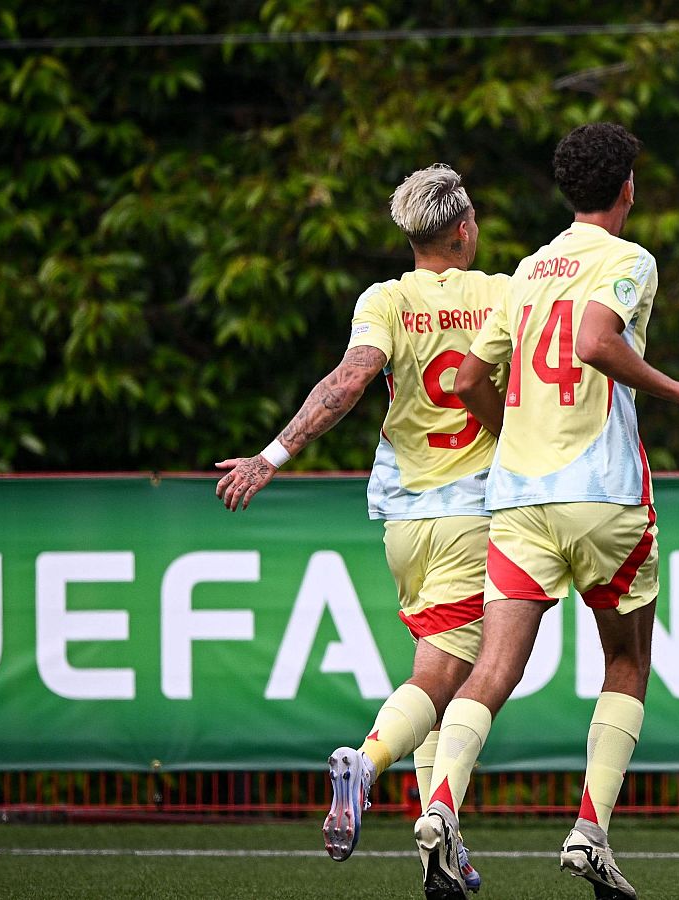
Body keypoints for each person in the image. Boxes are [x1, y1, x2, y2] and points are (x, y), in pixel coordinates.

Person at [412, 123, 679, 900]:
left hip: (518, 497)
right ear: (627, 189)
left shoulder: (526, 270)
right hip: (605, 496)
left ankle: (441, 805)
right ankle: (590, 831)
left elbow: (467, 377)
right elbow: (592, 339)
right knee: (625, 662)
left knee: (493, 667)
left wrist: (512, 435)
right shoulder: (629, 259)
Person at [214, 164, 499, 888]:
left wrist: (271, 455)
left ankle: (442, 840)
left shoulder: (385, 298)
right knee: (444, 680)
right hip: (470, 510)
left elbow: (347, 381)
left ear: (412, 236)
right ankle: (366, 763)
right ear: (464, 228)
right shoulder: (500, 292)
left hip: (404, 518)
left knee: (433, 675)